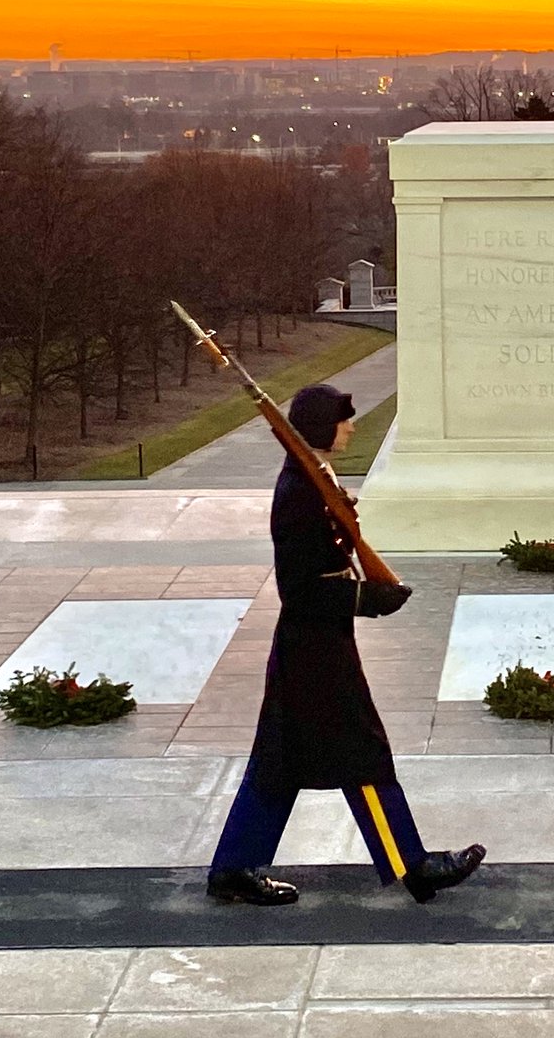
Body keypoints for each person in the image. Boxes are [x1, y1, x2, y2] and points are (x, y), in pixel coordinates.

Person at [206, 382, 485, 906]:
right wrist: (365, 598)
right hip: (314, 649)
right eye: (343, 418)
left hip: (313, 645)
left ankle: (234, 867)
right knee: (363, 755)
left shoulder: (311, 479)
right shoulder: (299, 491)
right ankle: (413, 867)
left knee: (280, 759)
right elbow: (300, 590)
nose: (352, 426)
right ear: (317, 427)